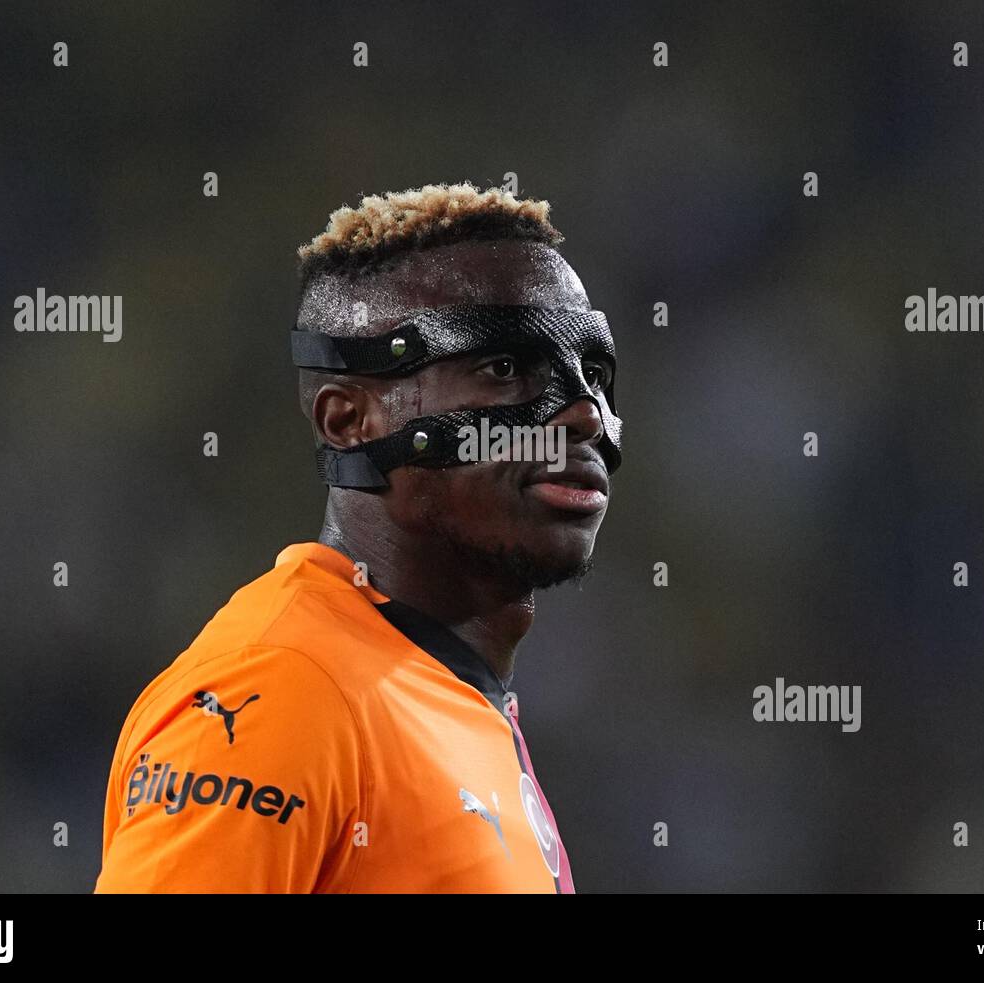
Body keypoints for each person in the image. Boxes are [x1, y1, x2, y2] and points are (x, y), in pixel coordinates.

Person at [94, 182, 622, 892]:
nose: (584, 414)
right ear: (349, 420)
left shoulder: (443, 689)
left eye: (595, 373)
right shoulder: (279, 687)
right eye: (504, 367)